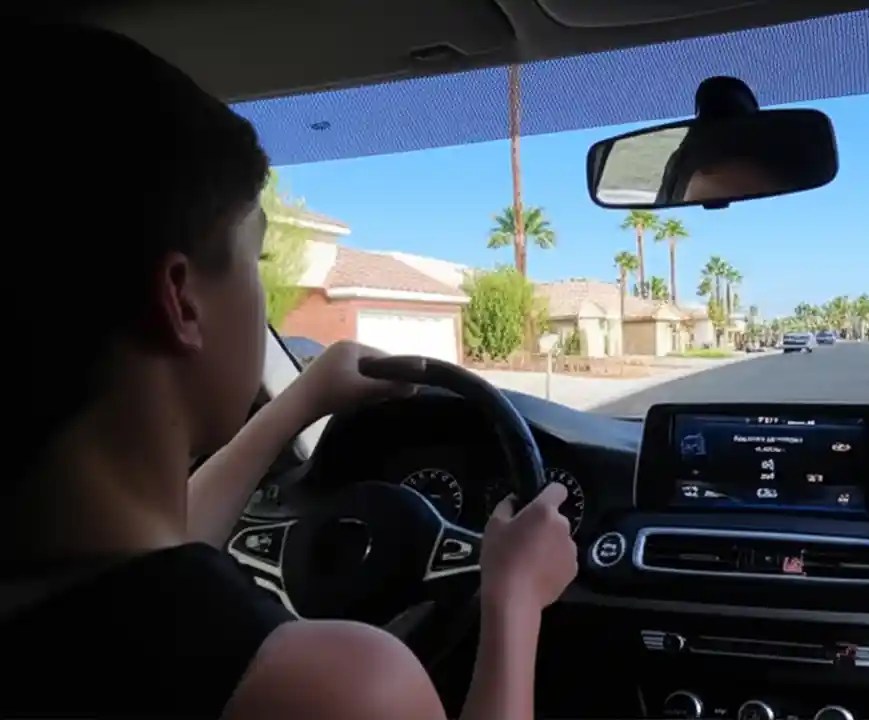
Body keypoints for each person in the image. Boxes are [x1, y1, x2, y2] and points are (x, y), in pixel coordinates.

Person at [0, 22, 577, 720]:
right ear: (181, 301)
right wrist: (514, 602)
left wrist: (298, 402)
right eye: (257, 260)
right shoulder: (339, 687)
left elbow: (161, 554)